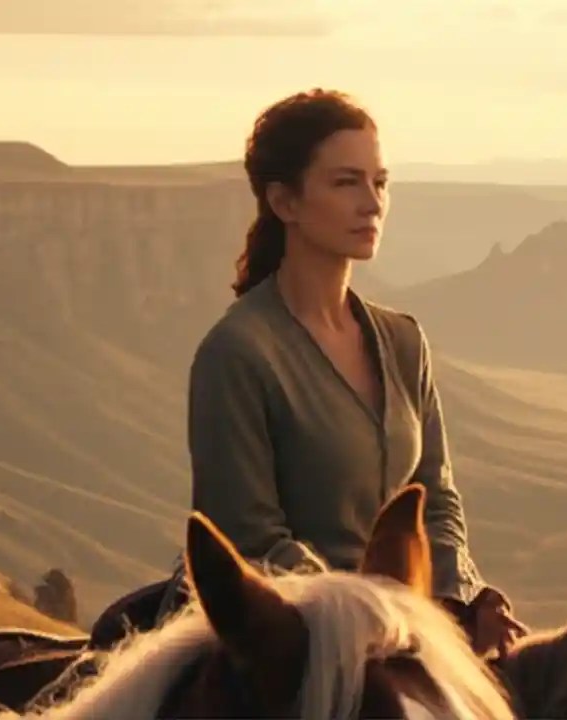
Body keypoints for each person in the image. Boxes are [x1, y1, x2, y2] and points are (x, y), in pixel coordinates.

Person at [184, 88, 529, 658]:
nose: (372, 203)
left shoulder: (403, 341)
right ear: (285, 202)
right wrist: (368, 614)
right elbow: (248, 540)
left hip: (399, 631)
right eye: (346, 183)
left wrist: (458, 600)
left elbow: (436, 498)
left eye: (380, 182)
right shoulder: (237, 353)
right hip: (283, 642)